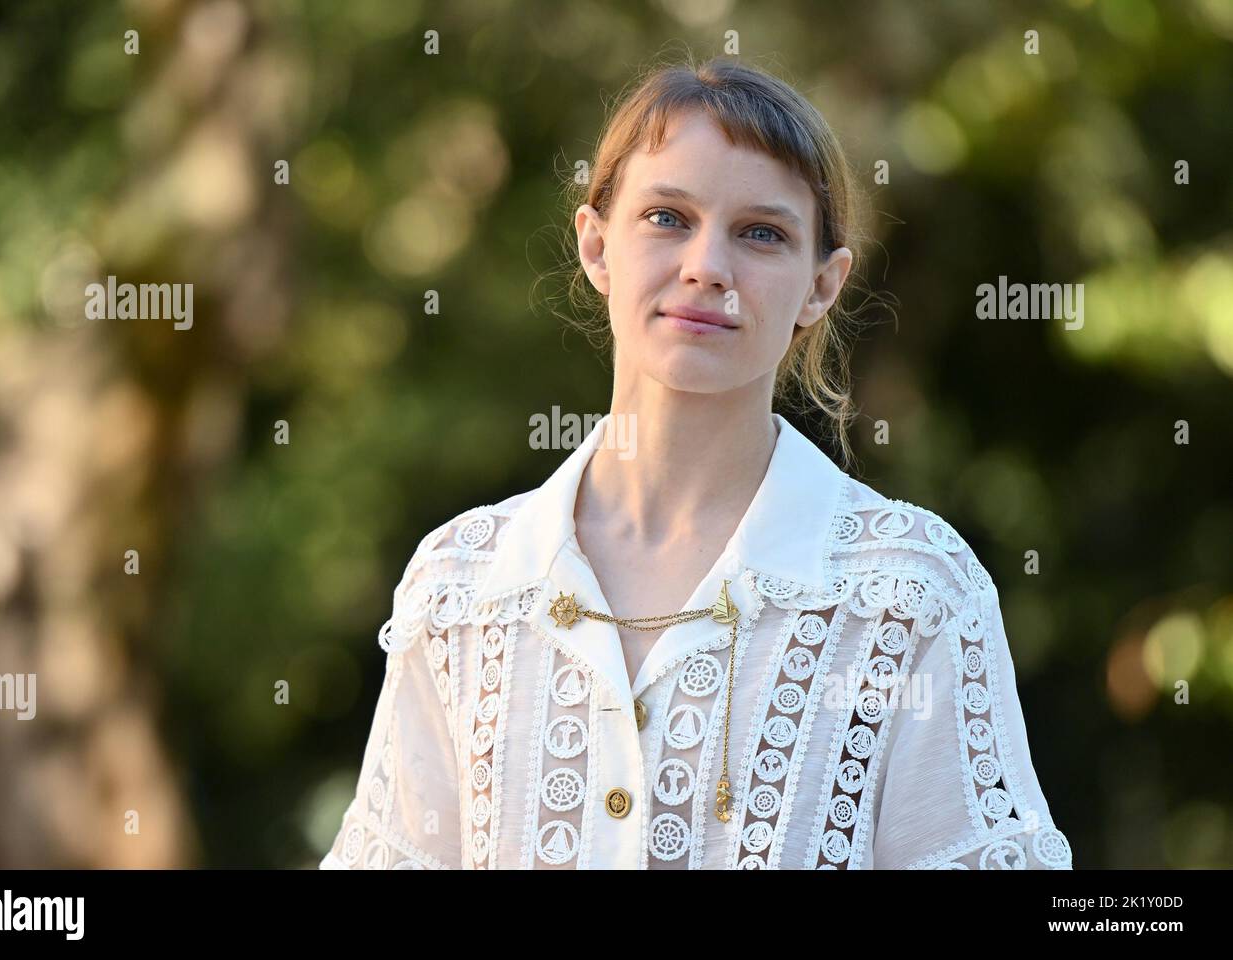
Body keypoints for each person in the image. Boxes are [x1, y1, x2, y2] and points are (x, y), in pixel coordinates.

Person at [320, 56, 1072, 870]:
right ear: (597, 246)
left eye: (761, 233)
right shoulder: (461, 590)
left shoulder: (910, 596)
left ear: (822, 286)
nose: (706, 266)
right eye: (668, 218)